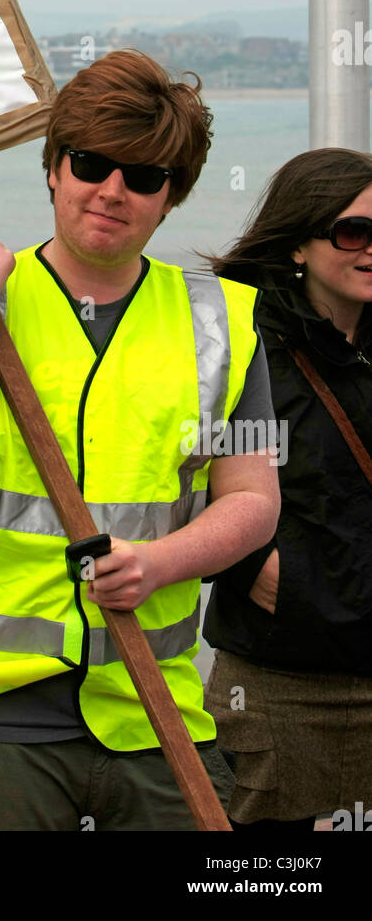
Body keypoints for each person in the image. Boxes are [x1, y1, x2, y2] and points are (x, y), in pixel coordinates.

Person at [0, 49, 281, 831]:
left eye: (144, 175)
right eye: (91, 163)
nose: (112, 190)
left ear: (172, 196)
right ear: (54, 169)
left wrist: (159, 563)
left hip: (153, 715)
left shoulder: (225, 321)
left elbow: (254, 502)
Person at [203, 147, 372, 831]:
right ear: (299, 240)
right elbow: (187, 481)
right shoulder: (242, 348)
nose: (370, 250)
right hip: (287, 690)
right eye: (353, 231)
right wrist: (264, 572)